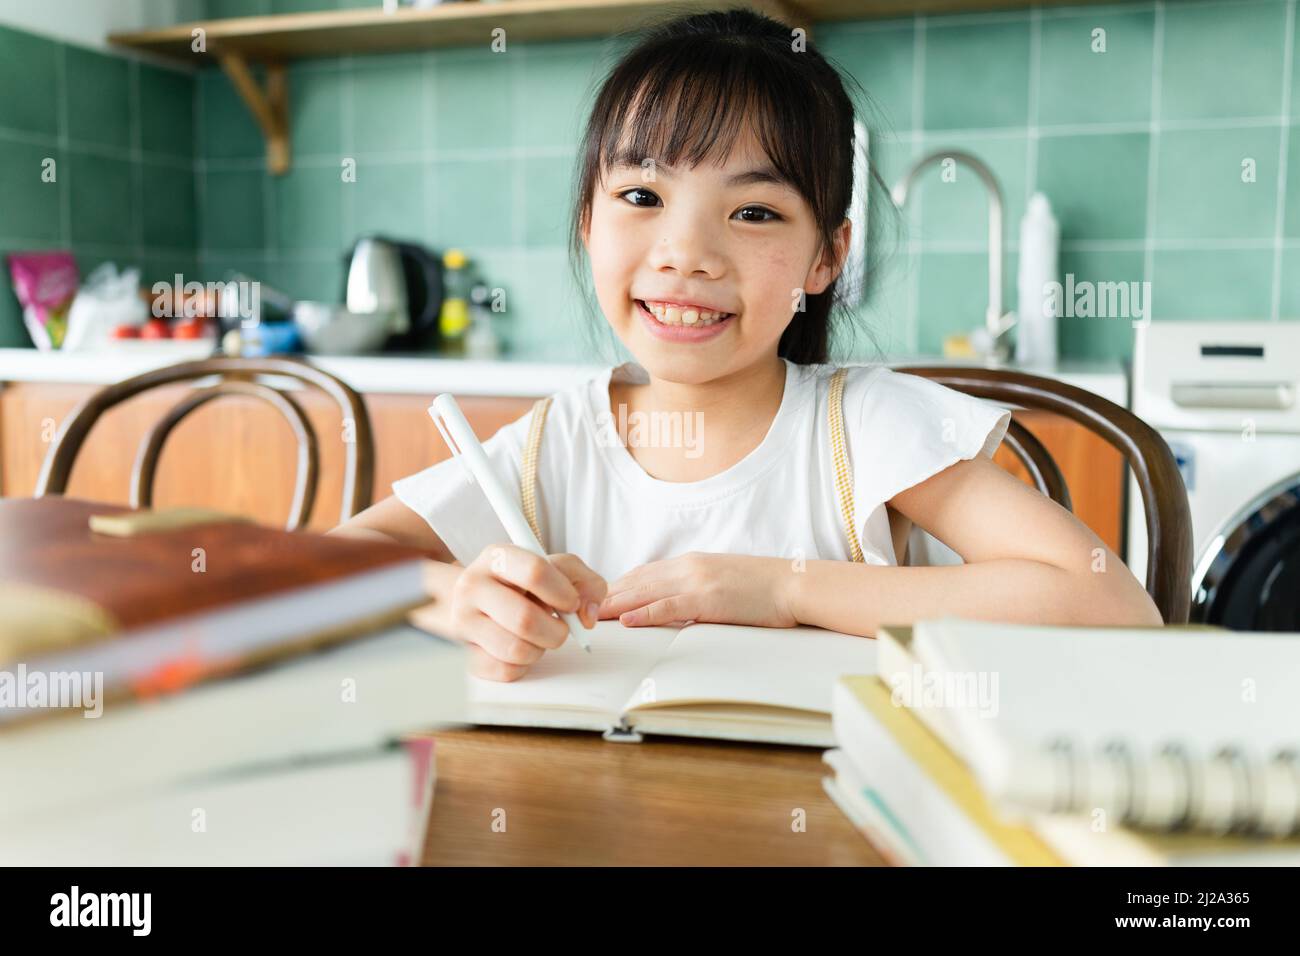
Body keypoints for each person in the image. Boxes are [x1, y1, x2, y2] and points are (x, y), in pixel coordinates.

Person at [330, 9, 1162, 681]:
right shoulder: (554, 443)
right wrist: (454, 597)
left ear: (827, 255)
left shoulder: (863, 430)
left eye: (755, 210)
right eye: (642, 194)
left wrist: (779, 586)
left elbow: (1113, 609)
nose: (686, 253)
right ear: (588, 223)